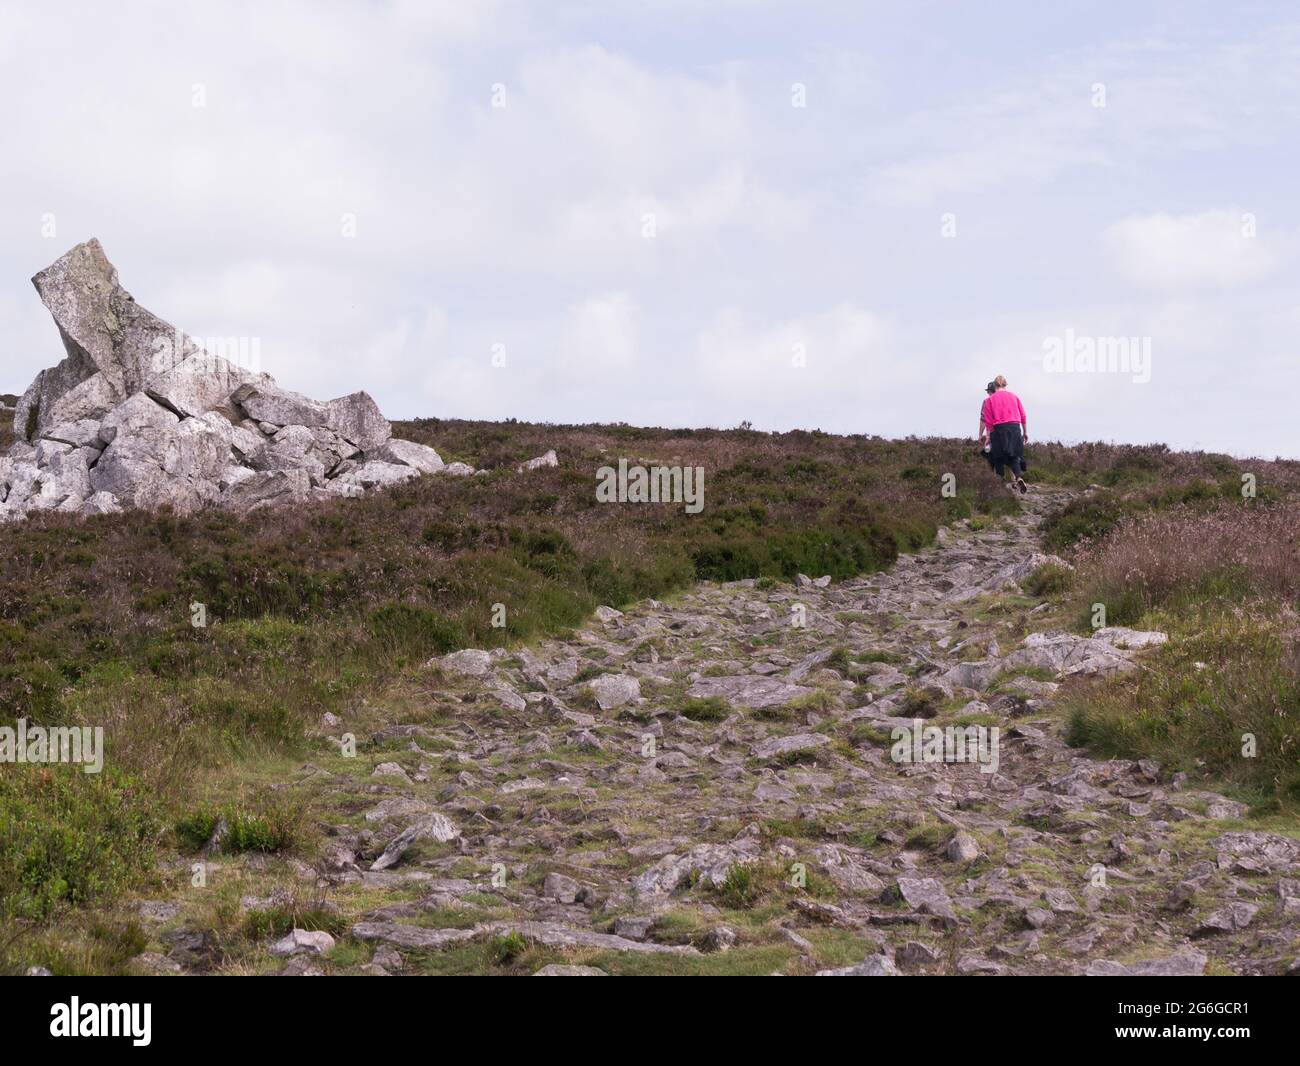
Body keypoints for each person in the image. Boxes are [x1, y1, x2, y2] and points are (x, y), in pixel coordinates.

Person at [979, 375, 1028, 493]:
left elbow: (988, 421)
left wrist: (988, 437)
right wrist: (1025, 432)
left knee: (998, 457)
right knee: (1014, 457)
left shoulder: (989, 400)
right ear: (1005, 385)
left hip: (999, 429)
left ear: (995, 386)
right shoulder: (1014, 396)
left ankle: (999, 484)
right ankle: (1018, 477)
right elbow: (1023, 415)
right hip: (1015, 428)